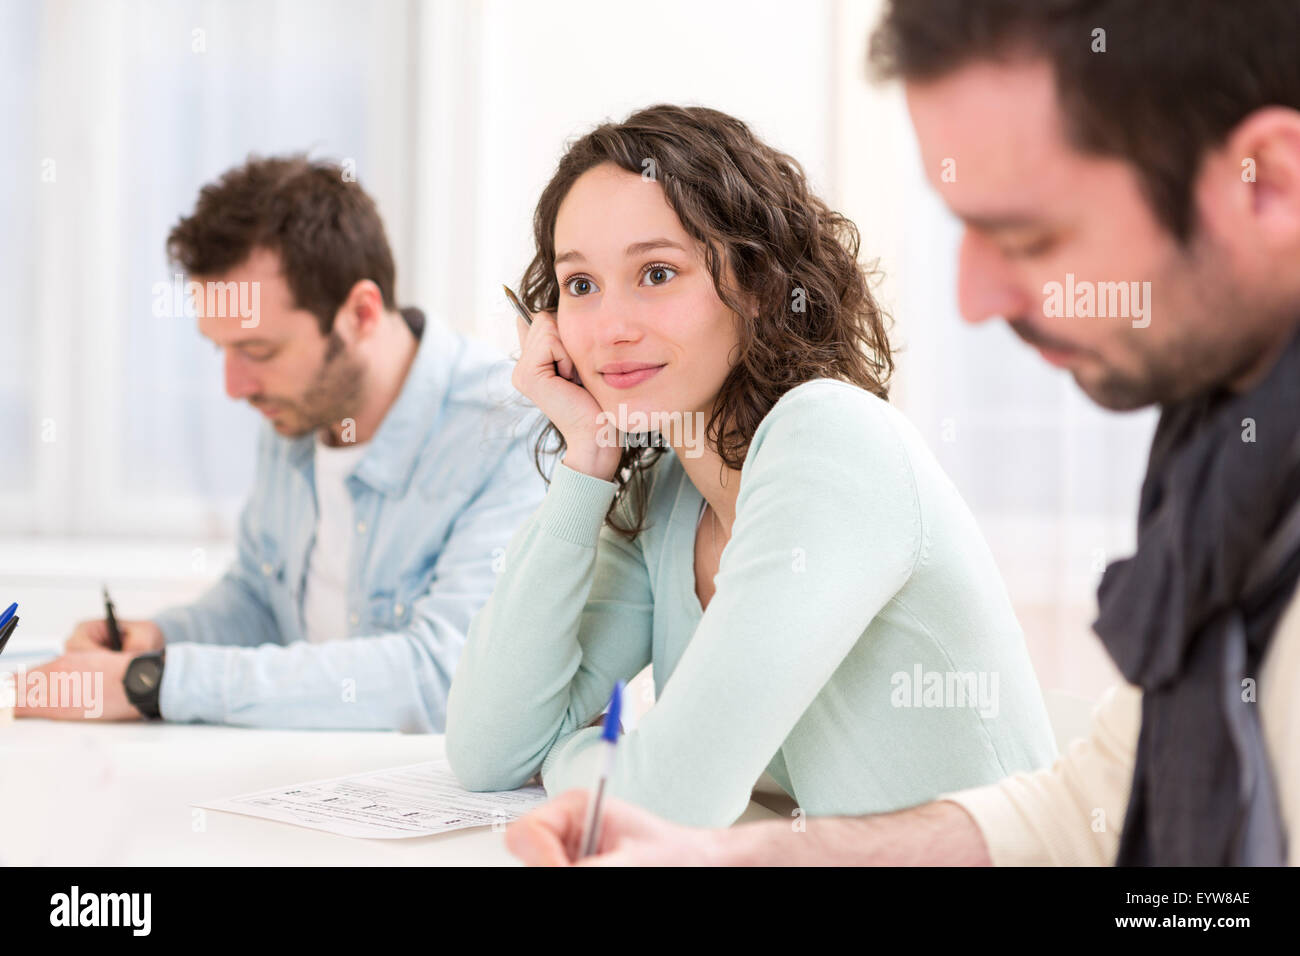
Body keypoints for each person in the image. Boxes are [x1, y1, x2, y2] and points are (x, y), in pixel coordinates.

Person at [505, 0, 1300, 865]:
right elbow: (1093, 808)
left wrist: (587, 765)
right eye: (578, 284)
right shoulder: (1229, 458)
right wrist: (732, 856)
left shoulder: (825, 436)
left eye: (1029, 232)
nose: (974, 298)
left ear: (1269, 182)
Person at [445, 104, 1056, 828]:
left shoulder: (831, 438)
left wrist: (569, 759)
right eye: (580, 285)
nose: (610, 328)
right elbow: (490, 750)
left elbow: (667, 801)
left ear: (760, 286)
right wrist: (587, 461)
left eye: (657, 272)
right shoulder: (665, 493)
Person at [18, 155, 545, 731]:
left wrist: (156, 682)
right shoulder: (297, 409)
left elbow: (446, 676)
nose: (235, 386)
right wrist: (162, 639)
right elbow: (261, 600)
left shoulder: (511, 431)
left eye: (259, 351)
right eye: (222, 349)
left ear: (361, 314)